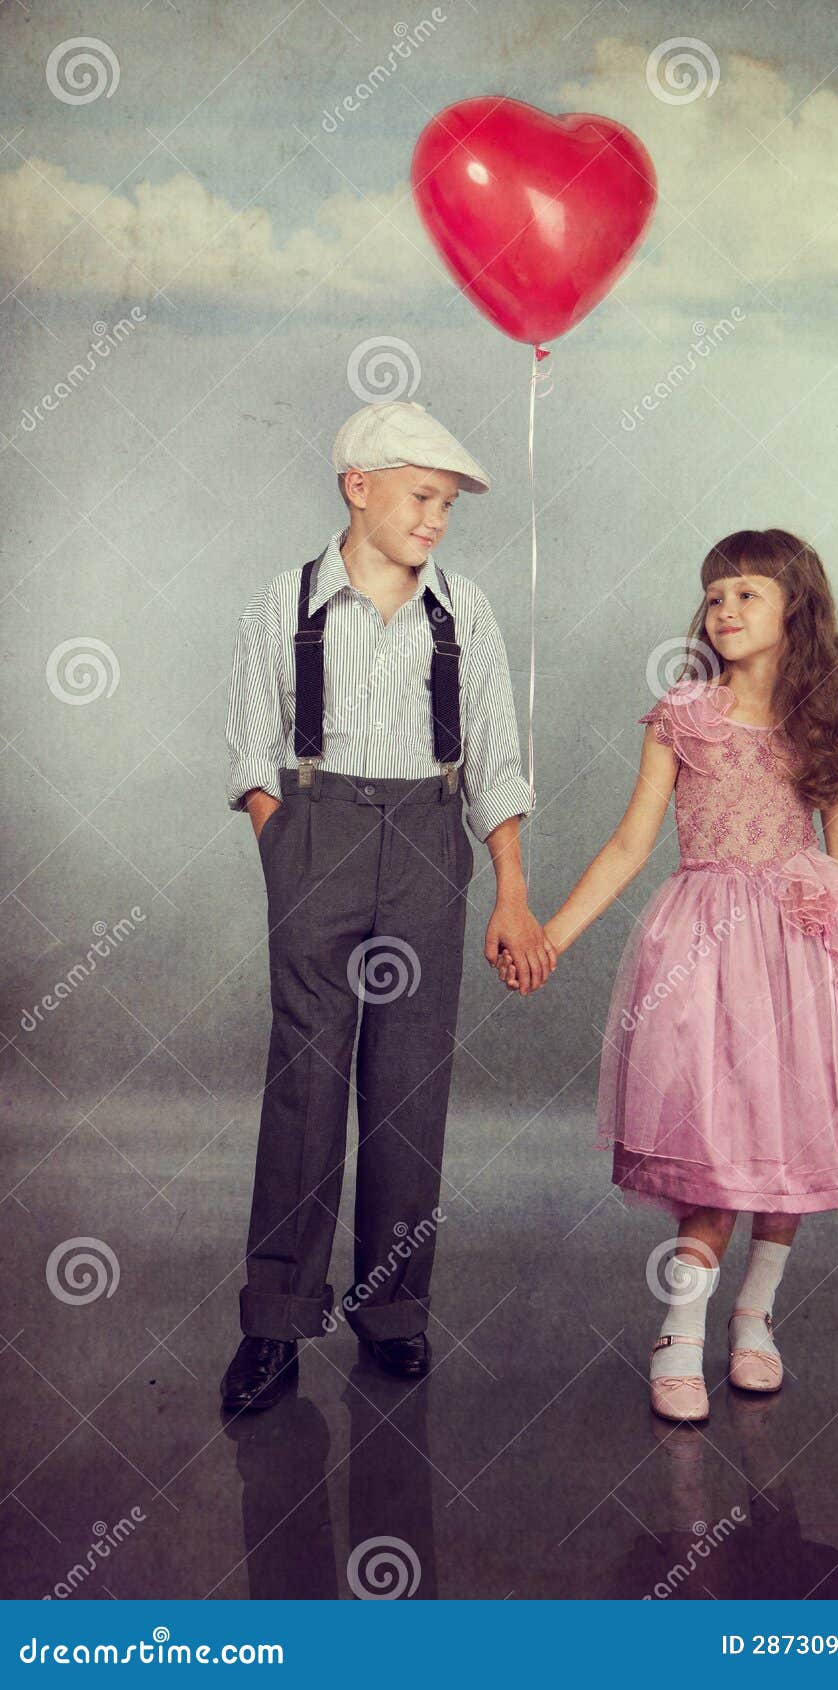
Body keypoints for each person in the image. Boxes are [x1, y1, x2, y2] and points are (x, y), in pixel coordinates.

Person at [497, 528, 838, 1420]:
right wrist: (551, 935)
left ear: (794, 609)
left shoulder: (822, 729)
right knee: (714, 1150)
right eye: (715, 595)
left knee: (791, 1138)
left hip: (802, 960)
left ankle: (756, 1317)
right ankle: (679, 1333)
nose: (724, 610)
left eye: (747, 594)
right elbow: (628, 846)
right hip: (700, 957)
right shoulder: (684, 717)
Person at [221, 399, 556, 1413]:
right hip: (317, 836)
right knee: (305, 1085)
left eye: (446, 504)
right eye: (421, 497)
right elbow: (250, 749)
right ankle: (275, 1324)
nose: (435, 520)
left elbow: (495, 759)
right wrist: (287, 846)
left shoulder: (464, 611)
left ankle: (394, 1314)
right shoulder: (286, 602)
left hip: (427, 841)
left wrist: (510, 888)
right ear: (356, 488)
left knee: (408, 1091)